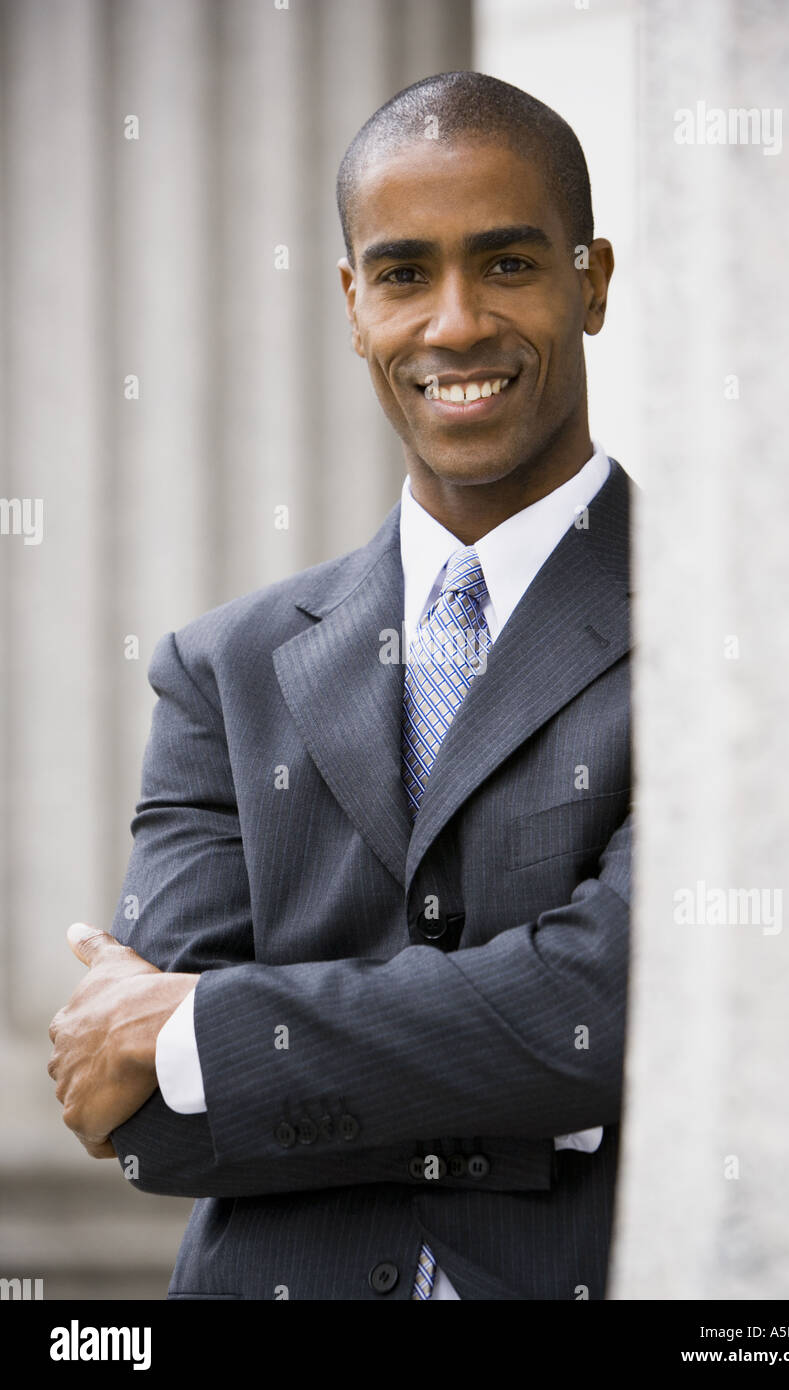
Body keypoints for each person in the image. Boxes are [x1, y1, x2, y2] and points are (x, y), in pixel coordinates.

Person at [48, 69, 632, 1301]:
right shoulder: (224, 668)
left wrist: (208, 1030)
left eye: (508, 263)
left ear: (590, 279)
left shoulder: (718, 635)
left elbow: (607, 1006)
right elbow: (150, 1121)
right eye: (405, 272)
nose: (454, 324)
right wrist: (511, 1074)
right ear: (352, 300)